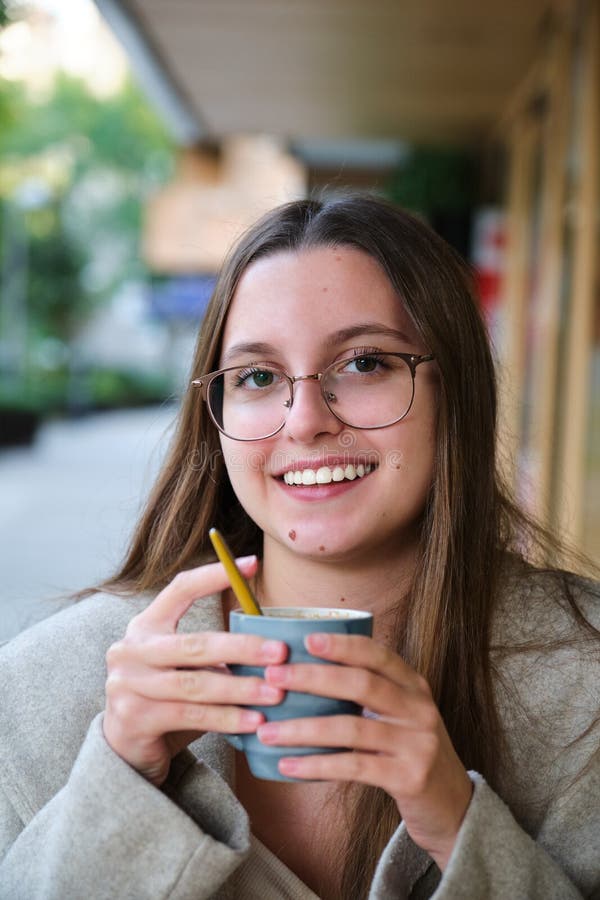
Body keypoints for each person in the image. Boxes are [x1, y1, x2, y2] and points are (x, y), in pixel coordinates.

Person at [0, 195, 598, 900]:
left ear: (456, 391)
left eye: (365, 362)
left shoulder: (582, 689)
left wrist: (458, 826)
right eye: (258, 376)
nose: (306, 419)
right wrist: (120, 784)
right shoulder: (47, 691)